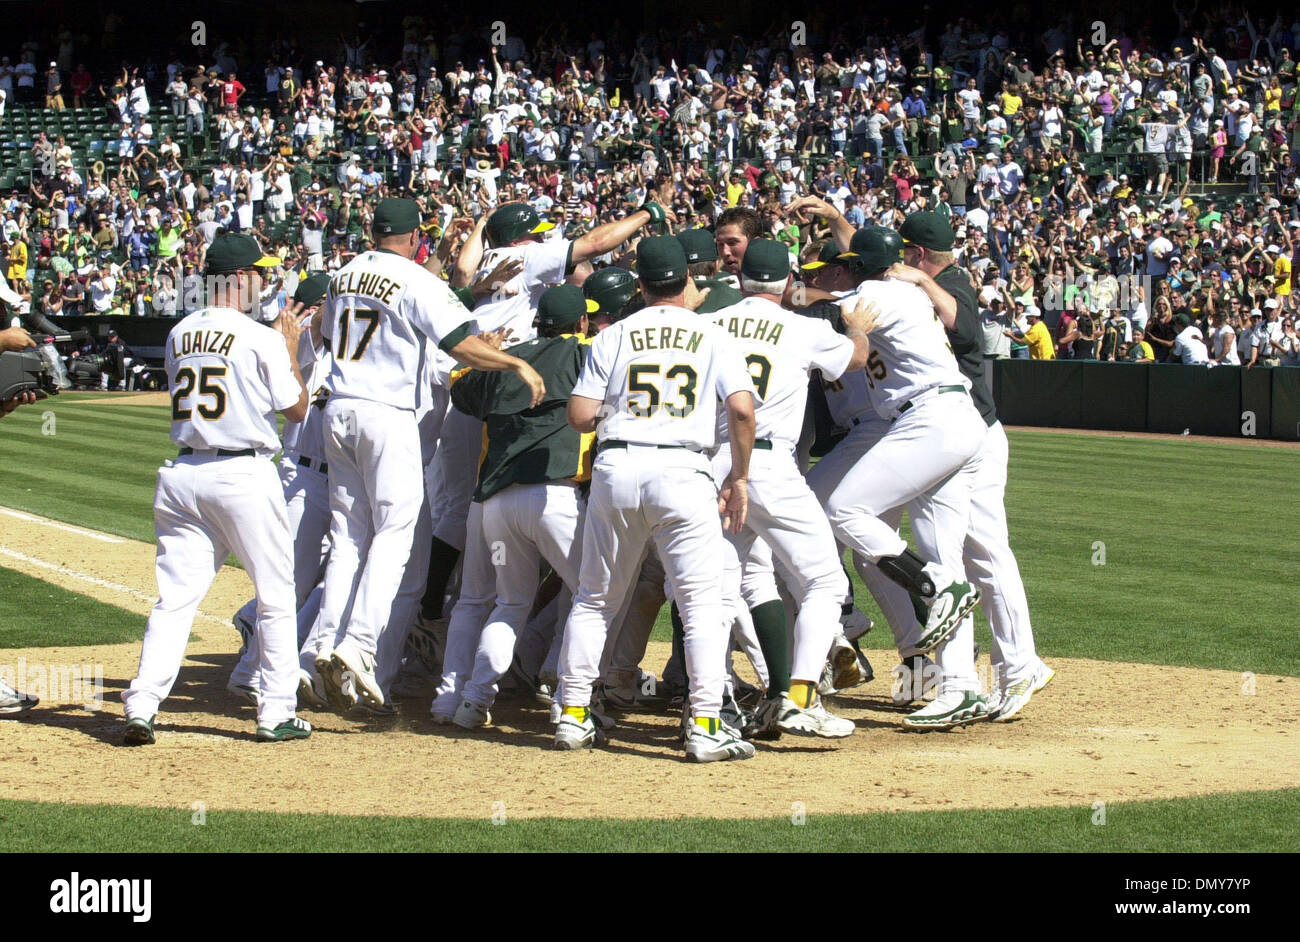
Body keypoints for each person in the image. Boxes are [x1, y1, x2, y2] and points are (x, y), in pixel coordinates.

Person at [310, 197, 546, 713]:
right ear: (417, 236)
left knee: (350, 538)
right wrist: (514, 364)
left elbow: (320, 333)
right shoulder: (417, 281)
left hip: (339, 408)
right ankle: (359, 646)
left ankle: (326, 646)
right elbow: (462, 345)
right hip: (386, 413)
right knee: (394, 532)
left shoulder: (343, 273)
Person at [555, 236, 758, 762]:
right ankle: (705, 722)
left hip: (618, 465)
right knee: (700, 604)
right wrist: (738, 476)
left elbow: (579, 415)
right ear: (688, 282)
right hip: (683, 469)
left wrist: (620, 416)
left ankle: (573, 714)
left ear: (639, 283)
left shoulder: (615, 334)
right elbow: (740, 410)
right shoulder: (712, 332)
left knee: (596, 598)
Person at [121, 233, 313, 745]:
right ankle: (276, 712)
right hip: (242, 473)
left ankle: (142, 703)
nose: (266, 280)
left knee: (174, 600)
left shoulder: (179, 331)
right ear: (240, 278)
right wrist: (290, 348)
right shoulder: (260, 336)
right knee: (275, 595)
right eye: (260, 272)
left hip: (183, 475)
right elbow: (296, 409)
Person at [709, 239, 872, 739]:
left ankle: (711, 704)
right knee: (826, 582)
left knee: (721, 587)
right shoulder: (803, 328)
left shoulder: (711, 324)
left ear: (740, 281)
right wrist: (857, 329)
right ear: (786, 282)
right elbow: (857, 360)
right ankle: (798, 697)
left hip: (712, 463)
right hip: (766, 462)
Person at [440, 284, 597, 728]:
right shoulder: (585, 354)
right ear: (580, 323)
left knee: (508, 604)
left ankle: (472, 700)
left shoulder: (504, 361)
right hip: (555, 499)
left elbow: (461, 392)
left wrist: (483, 356)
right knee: (593, 596)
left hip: (496, 509)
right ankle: (570, 702)